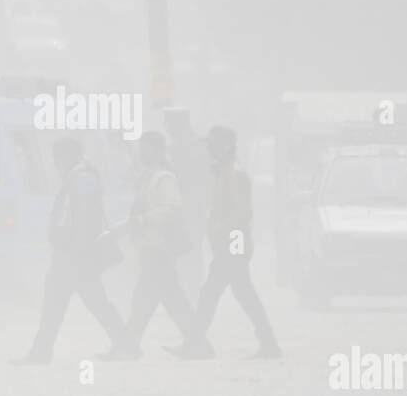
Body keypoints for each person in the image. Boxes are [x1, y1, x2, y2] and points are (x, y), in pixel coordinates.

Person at [13, 137, 128, 365]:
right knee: (81, 302)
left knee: (66, 303)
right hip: (73, 254)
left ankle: (42, 352)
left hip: (74, 256)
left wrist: (74, 251)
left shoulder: (81, 178)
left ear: (66, 157)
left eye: (58, 159)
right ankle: (125, 345)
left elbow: (82, 219)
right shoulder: (79, 176)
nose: (56, 165)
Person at [191, 126, 283, 359]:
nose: (209, 148)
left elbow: (243, 211)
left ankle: (195, 343)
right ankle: (268, 341)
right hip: (230, 239)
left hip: (234, 239)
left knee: (214, 292)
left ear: (226, 146)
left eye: (213, 143)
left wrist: (222, 230)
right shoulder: (224, 173)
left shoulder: (235, 174)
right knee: (239, 292)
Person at [112, 132, 205, 357]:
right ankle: (198, 345)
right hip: (150, 247)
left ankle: (128, 348)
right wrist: (123, 228)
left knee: (154, 300)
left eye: (145, 148)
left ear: (155, 150)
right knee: (159, 300)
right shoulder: (148, 178)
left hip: (159, 248)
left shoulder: (163, 178)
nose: (140, 153)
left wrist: (144, 220)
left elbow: (172, 208)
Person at [164, 107, 210, 301]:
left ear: (177, 124)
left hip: (185, 208)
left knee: (183, 252)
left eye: (168, 124)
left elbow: (179, 179)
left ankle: (186, 294)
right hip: (195, 208)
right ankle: (192, 292)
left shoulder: (181, 148)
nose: (166, 128)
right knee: (192, 251)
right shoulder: (198, 145)